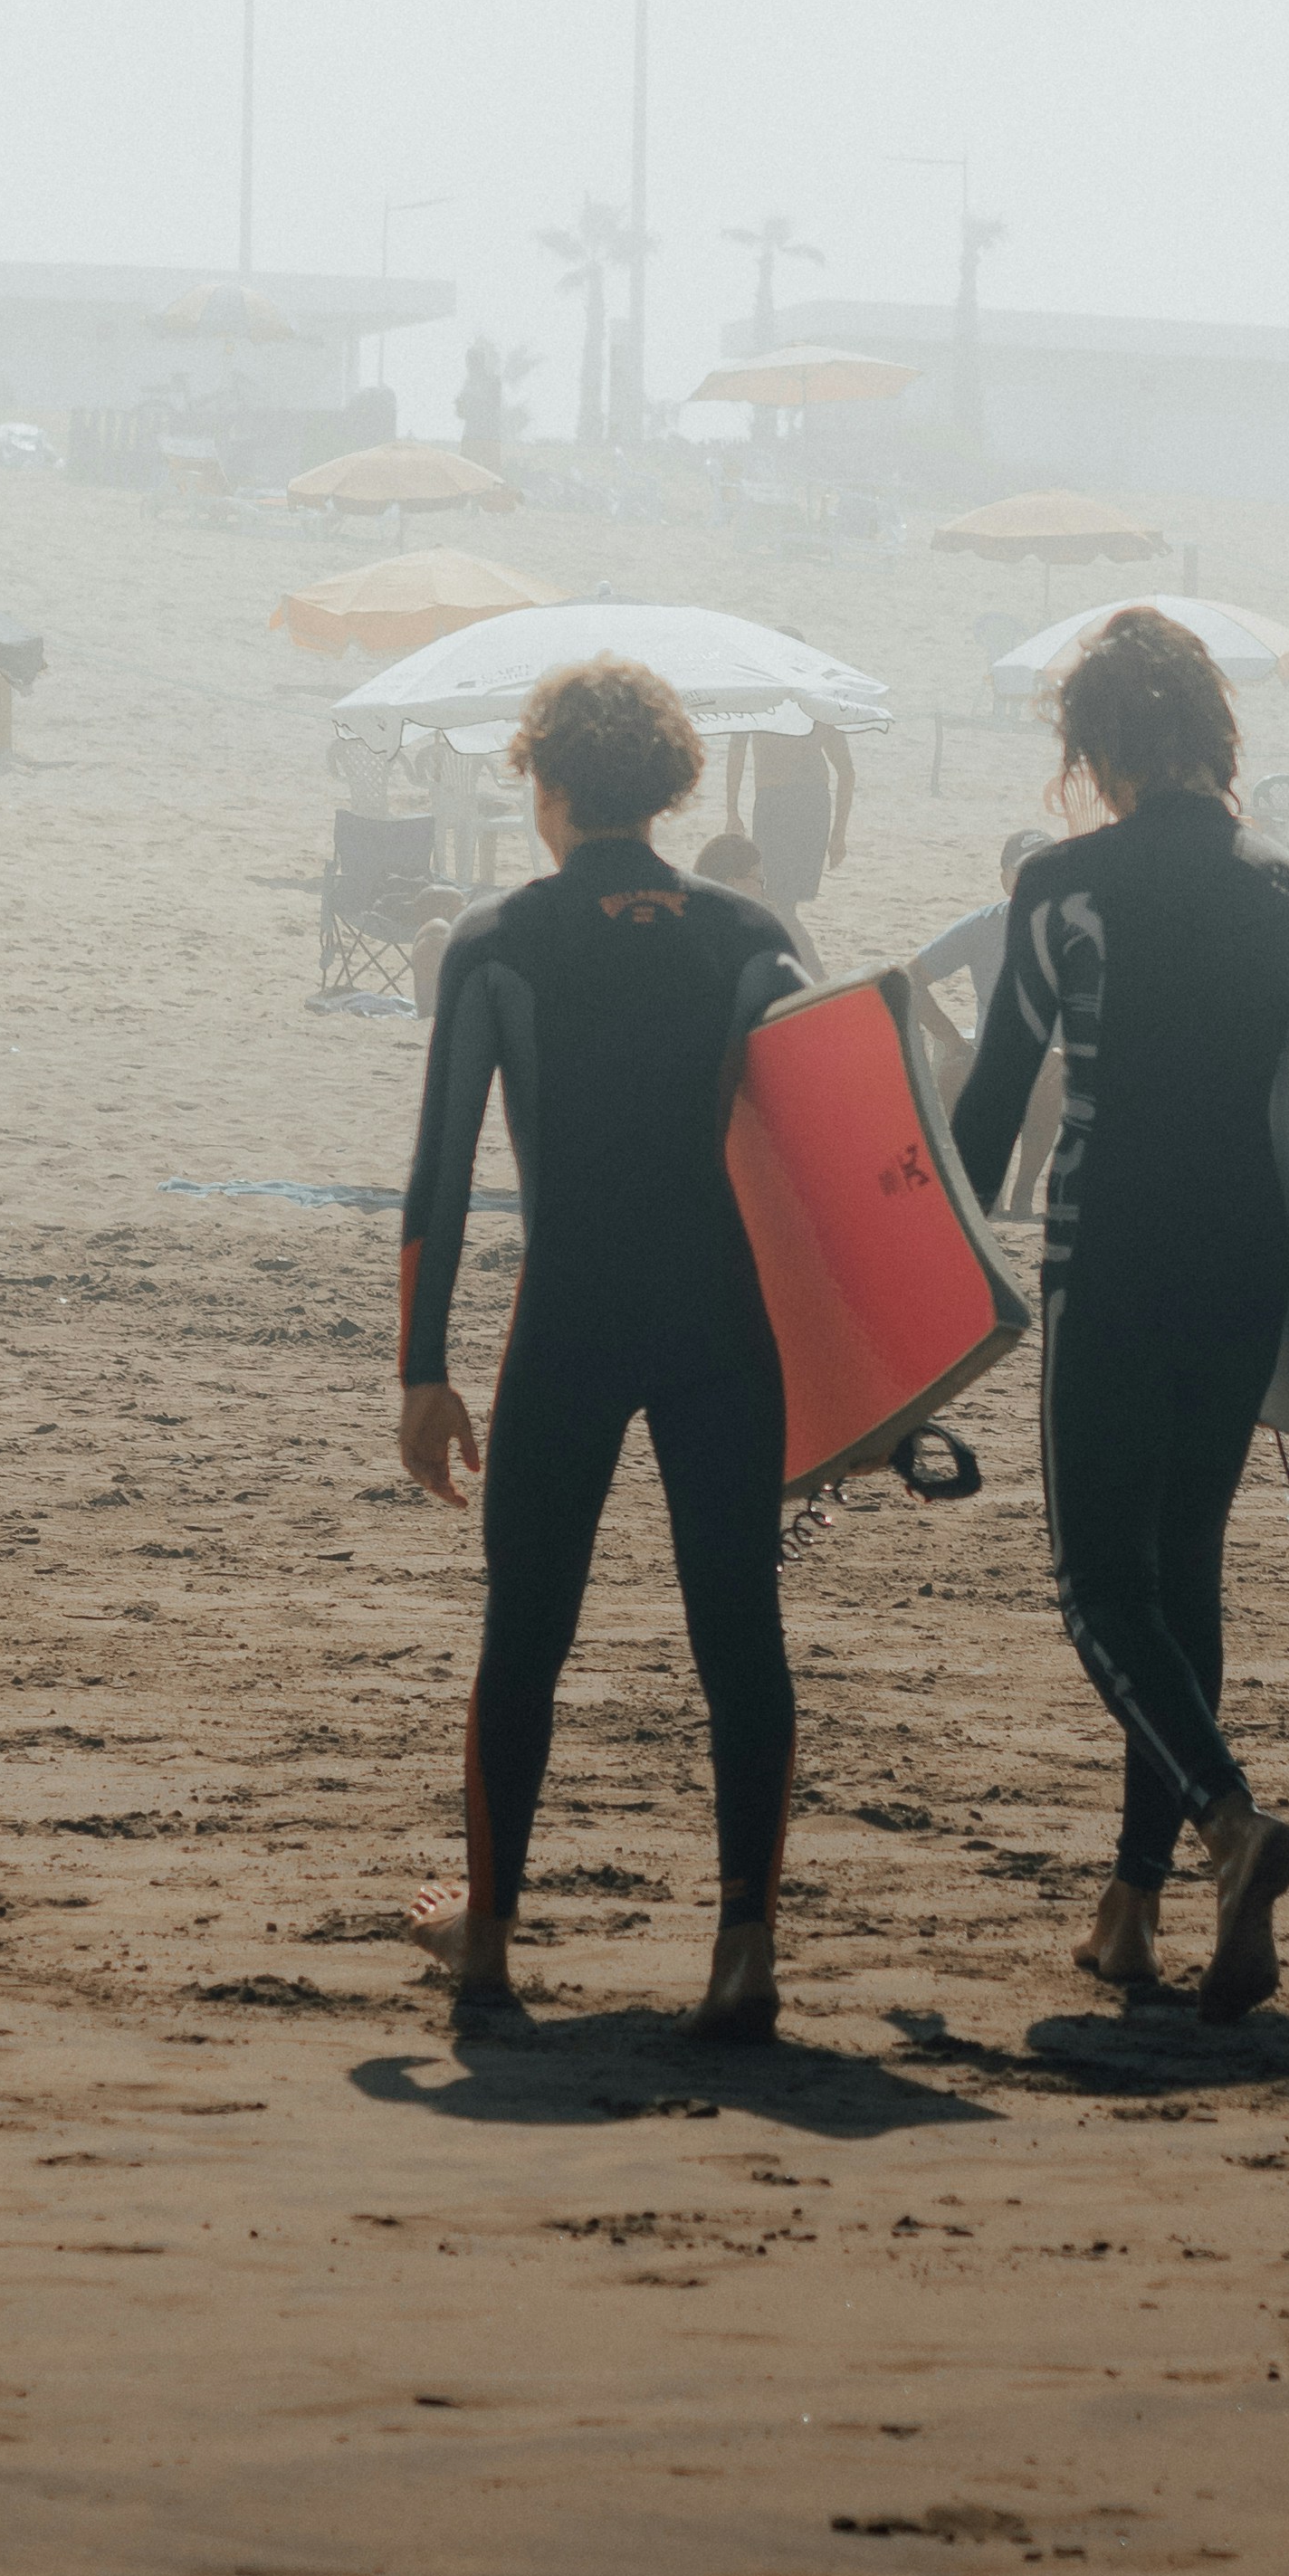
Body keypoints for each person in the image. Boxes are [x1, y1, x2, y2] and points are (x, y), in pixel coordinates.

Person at [951, 606, 1289, 2025]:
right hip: (1251, 1257)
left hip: (1111, 1252)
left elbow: (992, 1114)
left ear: (1097, 746)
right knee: (1183, 1577)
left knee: (1096, 1585)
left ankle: (1231, 1827)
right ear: (1218, 738)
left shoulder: (1063, 887)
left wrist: (919, 1308)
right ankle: (1132, 1909)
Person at [396, 657, 808, 2045]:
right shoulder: (751, 936)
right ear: (673, 787)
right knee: (738, 1631)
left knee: (527, 1631)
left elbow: (441, 1173)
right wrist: (871, 1374)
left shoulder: (500, 940)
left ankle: (492, 1938)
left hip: (571, 1318)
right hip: (723, 1323)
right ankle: (744, 1946)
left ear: (548, 783)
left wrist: (422, 1370)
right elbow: (829, 1166)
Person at [910, 830, 1058, 1202]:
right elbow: (911, 976)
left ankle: (1023, 1193)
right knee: (953, 1070)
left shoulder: (1075, 926)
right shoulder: (985, 924)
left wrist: (1070, 1049)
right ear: (1005, 877)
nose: (1035, 881)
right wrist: (950, 1037)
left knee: (1051, 1079)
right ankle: (965, 1188)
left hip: (1052, 1052)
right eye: (1025, 871)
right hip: (992, 1048)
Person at [720, 716, 854, 931]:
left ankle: (781, 939)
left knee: (784, 894)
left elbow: (846, 770)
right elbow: (737, 748)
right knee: (771, 888)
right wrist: (732, 811)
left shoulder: (813, 705)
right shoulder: (767, 699)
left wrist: (839, 834)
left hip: (808, 800)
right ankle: (782, 937)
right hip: (785, 800)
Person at [696, 825, 822, 979]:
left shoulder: (690, 921)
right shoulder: (778, 926)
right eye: (759, 881)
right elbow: (817, 982)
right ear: (732, 883)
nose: (763, 890)